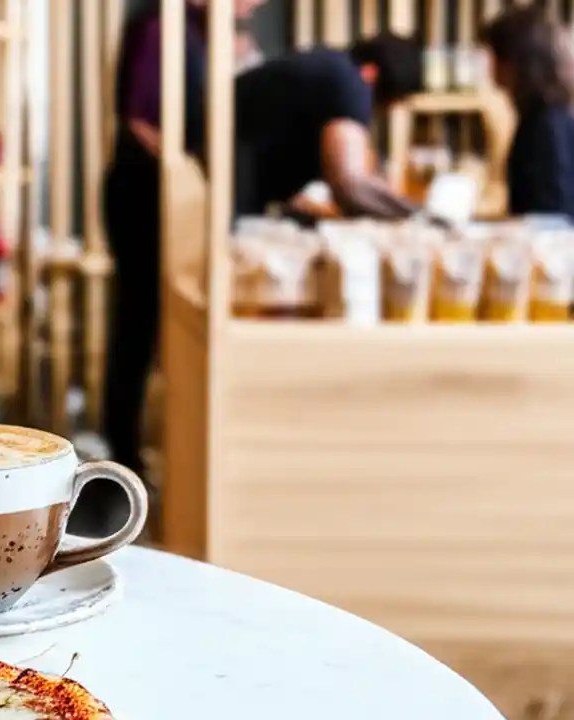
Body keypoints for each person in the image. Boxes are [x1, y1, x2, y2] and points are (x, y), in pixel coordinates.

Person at [101, 0, 264, 487]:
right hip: (143, 192)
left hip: (165, 193)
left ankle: (136, 451)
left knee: (148, 321)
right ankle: (123, 457)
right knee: (138, 321)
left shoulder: (198, 33)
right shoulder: (160, 29)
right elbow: (141, 119)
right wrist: (188, 167)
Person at [234, 34, 423, 220]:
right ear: (373, 73)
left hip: (222, 178)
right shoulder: (351, 82)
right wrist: (416, 216)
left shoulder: (329, 66)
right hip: (225, 191)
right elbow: (351, 185)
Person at [482, 6, 574, 219]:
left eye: (494, 58)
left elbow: (553, 215)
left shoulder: (546, 123)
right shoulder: (545, 114)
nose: (490, 69)